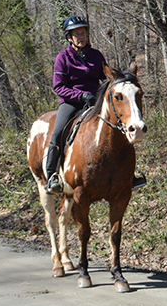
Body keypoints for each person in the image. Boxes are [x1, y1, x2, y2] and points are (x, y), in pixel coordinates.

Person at [43, 16, 148, 194]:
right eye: (76, 34)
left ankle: (131, 173)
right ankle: (52, 175)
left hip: (96, 100)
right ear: (69, 37)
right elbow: (59, 87)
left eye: (83, 33)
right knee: (58, 132)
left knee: (119, 128)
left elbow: (106, 77)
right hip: (72, 103)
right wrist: (81, 95)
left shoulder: (96, 55)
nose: (81, 36)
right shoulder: (62, 58)